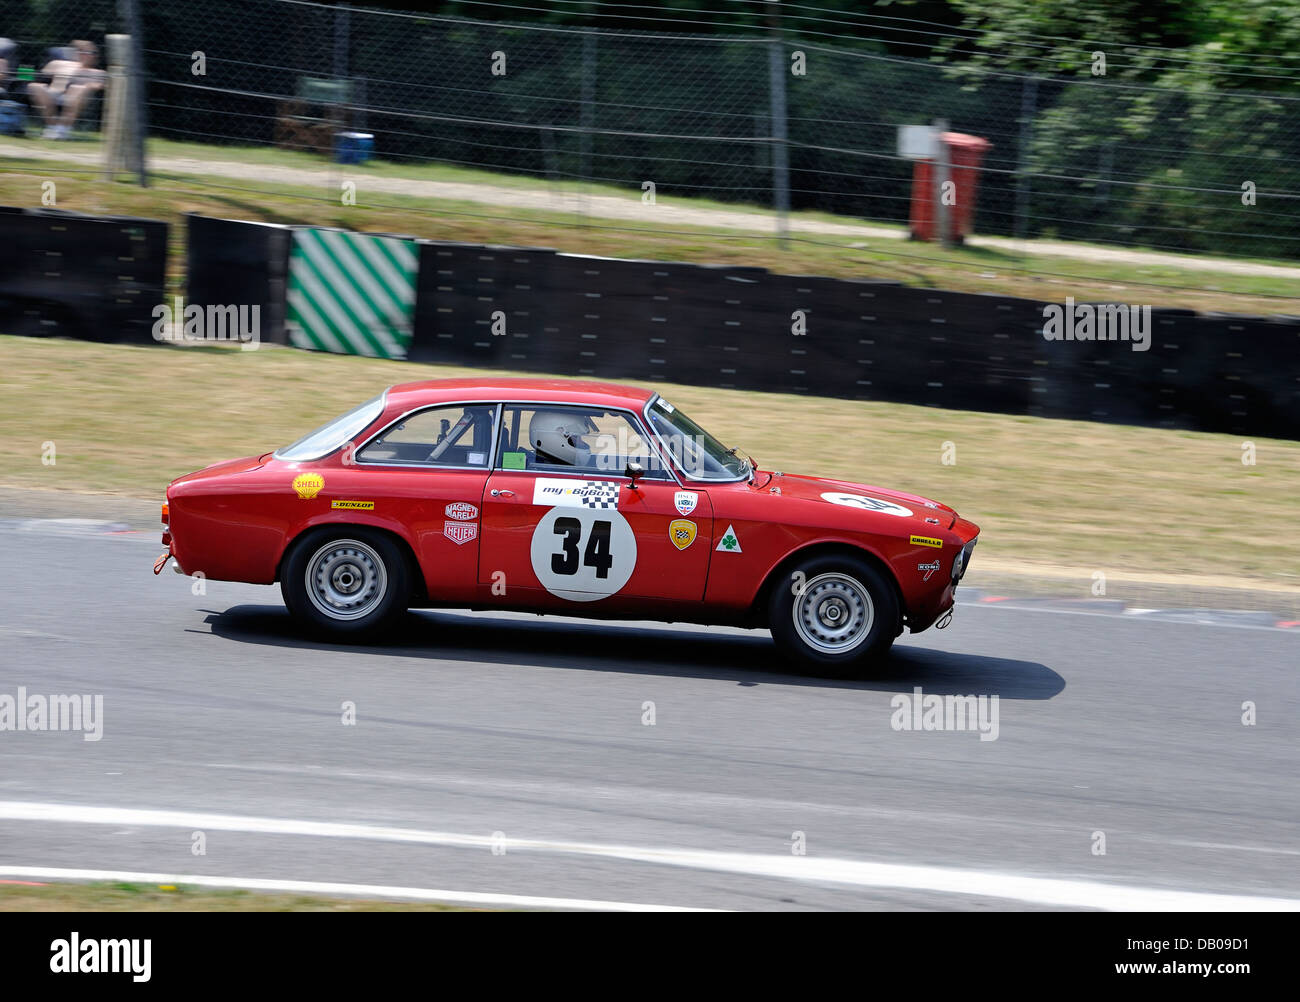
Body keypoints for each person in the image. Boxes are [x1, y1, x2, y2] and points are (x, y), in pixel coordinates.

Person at [28, 39, 104, 139]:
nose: (85, 55)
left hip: (77, 97)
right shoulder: (59, 64)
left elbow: (101, 85)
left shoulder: (97, 72)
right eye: (82, 51)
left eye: (90, 53)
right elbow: (39, 76)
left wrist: (87, 85)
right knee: (34, 86)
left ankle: (63, 129)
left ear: (95, 56)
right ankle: (52, 127)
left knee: (76, 88)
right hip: (52, 94)